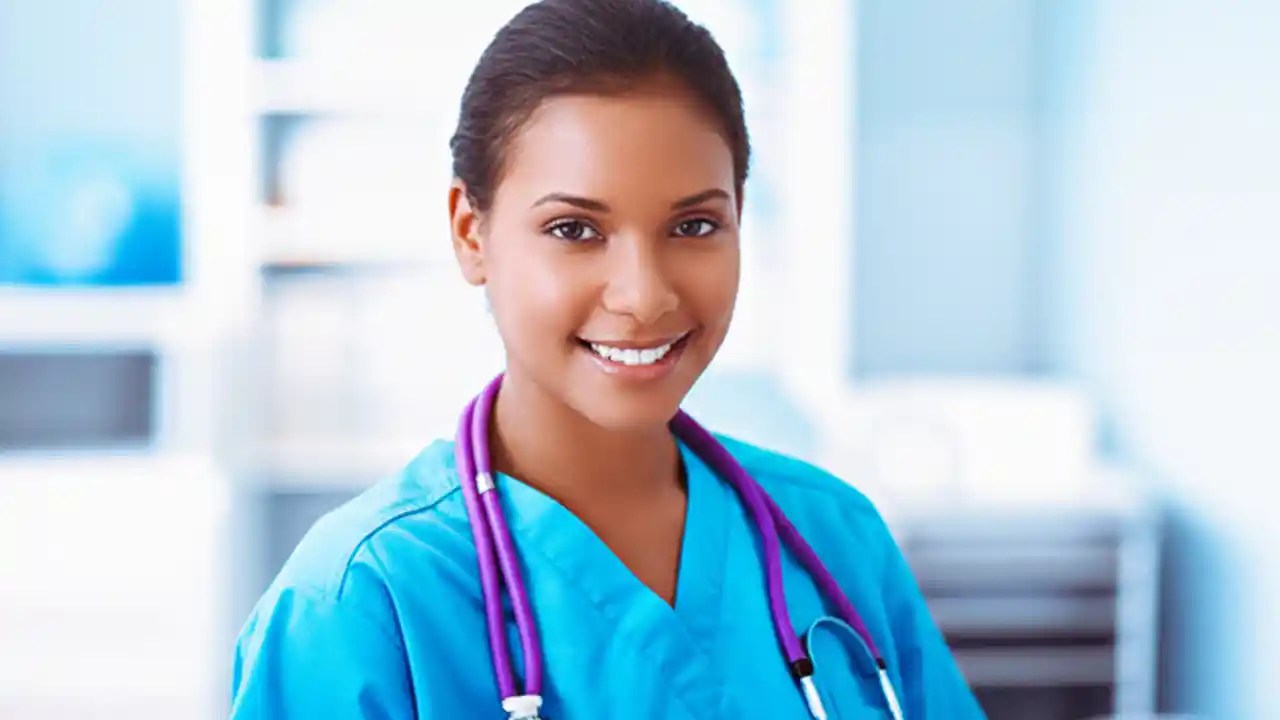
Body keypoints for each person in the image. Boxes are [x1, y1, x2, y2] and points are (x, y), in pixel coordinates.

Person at [229, 0, 985, 717]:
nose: (644, 295)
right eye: (574, 230)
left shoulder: (834, 538)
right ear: (470, 232)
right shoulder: (360, 604)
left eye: (693, 226)